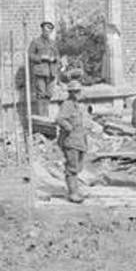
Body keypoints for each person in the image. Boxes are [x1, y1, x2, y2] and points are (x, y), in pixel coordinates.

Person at [55, 75, 88, 203]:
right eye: (76, 91)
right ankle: (73, 193)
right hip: (71, 141)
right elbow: (59, 119)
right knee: (72, 167)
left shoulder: (78, 105)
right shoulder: (67, 104)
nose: (79, 93)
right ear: (71, 93)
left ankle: (75, 190)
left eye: (79, 91)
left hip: (80, 141)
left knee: (78, 167)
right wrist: (68, 128)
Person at [27, 21, 60, 119]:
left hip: (51, 73)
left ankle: (46, 116)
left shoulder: (53, 43)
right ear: (42, 30)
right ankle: (42, 118)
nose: (47, 32)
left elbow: (58, 55)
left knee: (49, 95)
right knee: (41, 95)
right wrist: (42, 57)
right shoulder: (36, 42)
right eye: (45, 30)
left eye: (49, 30)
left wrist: (55, 59)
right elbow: (30, 55)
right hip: (41, 72)